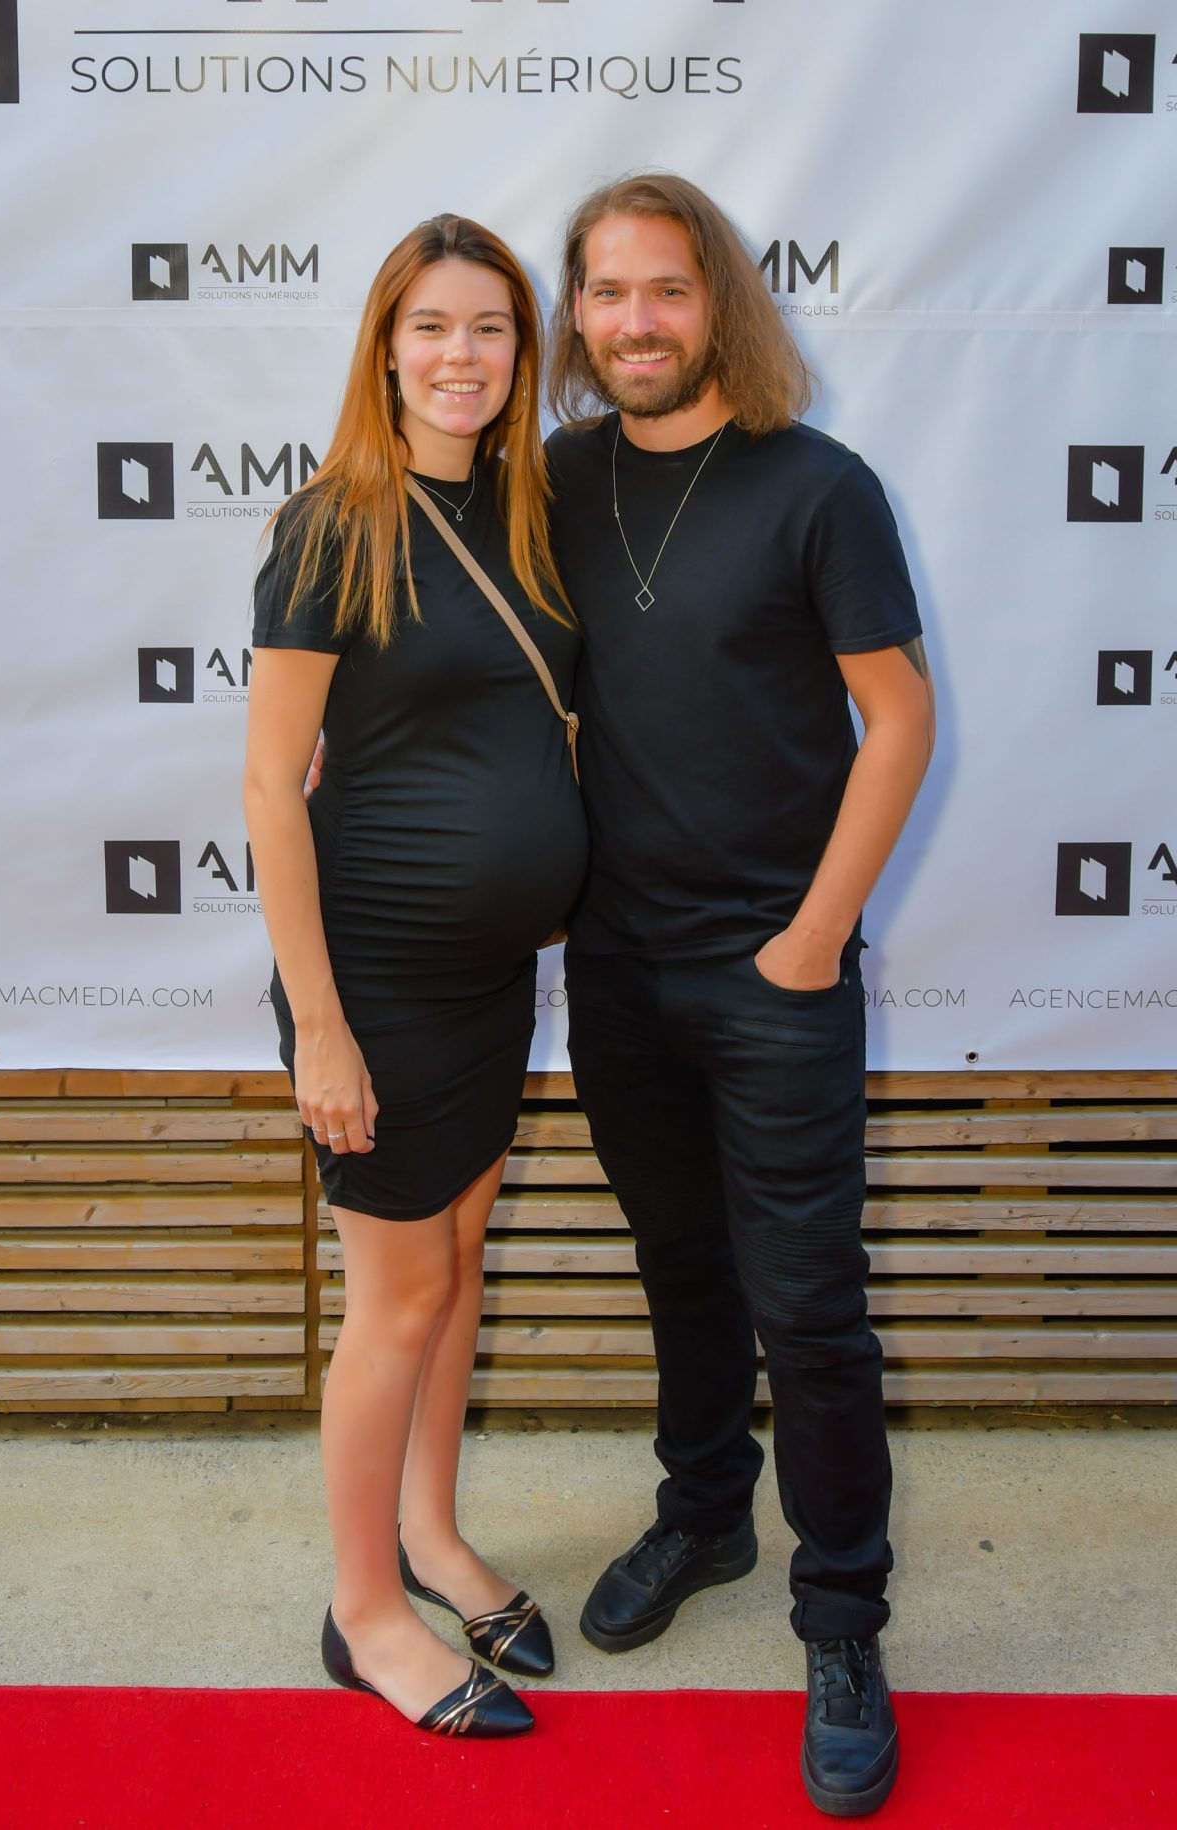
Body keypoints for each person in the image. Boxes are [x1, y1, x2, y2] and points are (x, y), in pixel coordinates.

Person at [544, 174, 934, 1816]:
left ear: (723, 309)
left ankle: (842, 1619)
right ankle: (706, 1507)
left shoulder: (818, 486)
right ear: (579, 315)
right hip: (616, 965)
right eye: (610, 293)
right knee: (681, 1263)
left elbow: (897, 719)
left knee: (811, 1305)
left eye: (668, 292)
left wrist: (810, 936)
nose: (637, 321)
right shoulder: (548, 480)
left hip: (774, 971)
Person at [242, 213, 586, 1739]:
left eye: (493, 329)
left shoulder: (526, 514)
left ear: (524, 353)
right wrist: (320, 1024)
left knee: (457, 1266)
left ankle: (436, 1535)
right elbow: (266, 787)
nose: (464, 356)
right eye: (433, 327)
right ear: (385, 346)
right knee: (393, 1300)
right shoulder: (332, 524)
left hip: (490, 974)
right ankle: (366, 1608)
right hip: (370, 983)